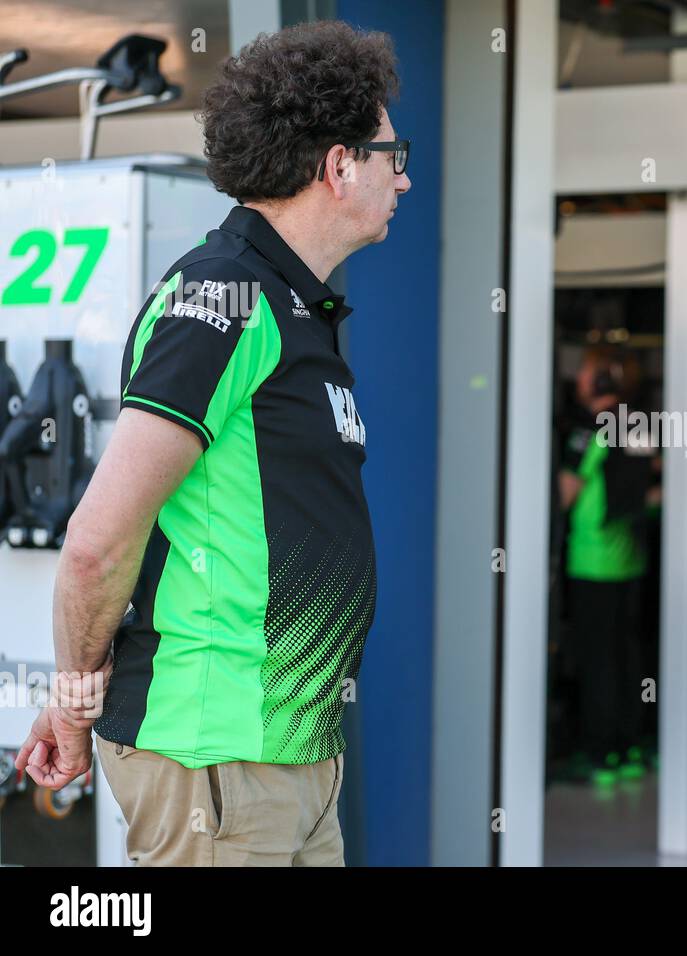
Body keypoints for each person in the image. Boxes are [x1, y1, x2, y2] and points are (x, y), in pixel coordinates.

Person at [14, 21, 409, 866]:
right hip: (216, 759)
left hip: (290, 751)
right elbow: (96, 542)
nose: (404, 178)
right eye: (392, 152)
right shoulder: (222, 296)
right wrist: (76, 700)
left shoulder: (291, 303)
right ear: (339, 166)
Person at [559, 348, 658, 785]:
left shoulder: (588, 430)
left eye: (583, 371)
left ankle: (601, 751)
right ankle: (628, 744)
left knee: (598, 656)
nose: (578, 379)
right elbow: (658, 490)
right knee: (627, 653)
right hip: (632, 559)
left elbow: (565, 496)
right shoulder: (640, 426)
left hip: (593, 559)